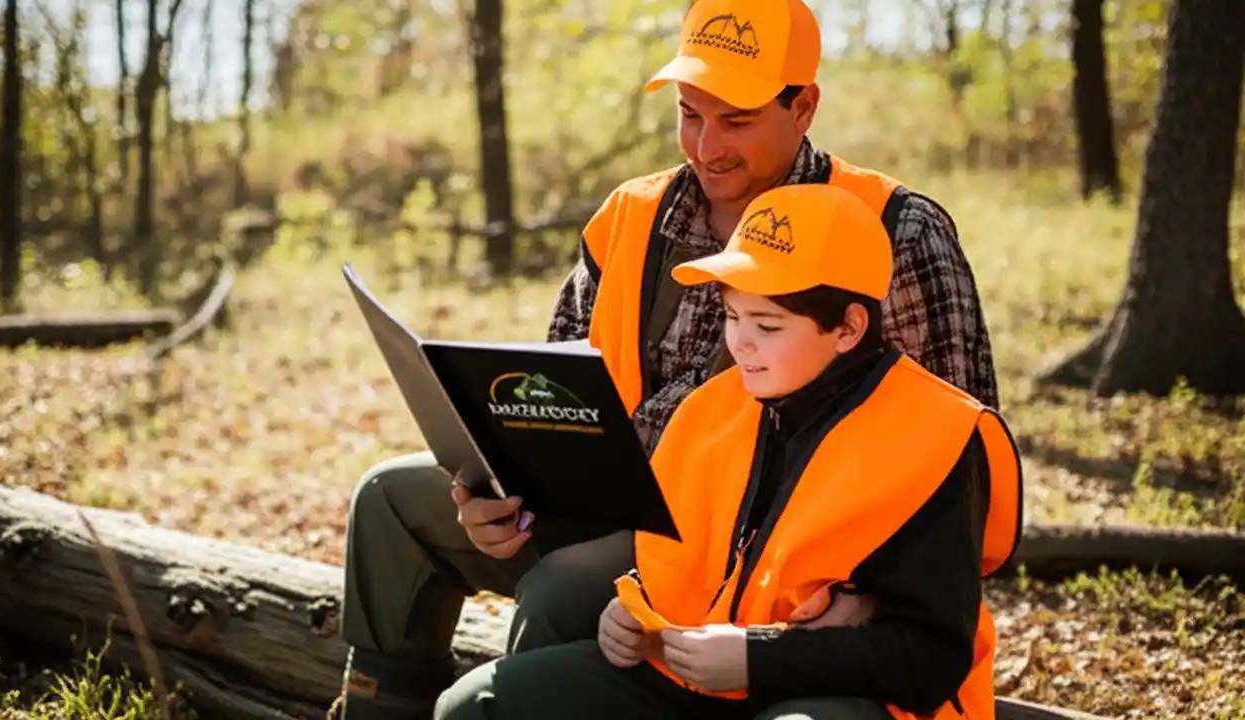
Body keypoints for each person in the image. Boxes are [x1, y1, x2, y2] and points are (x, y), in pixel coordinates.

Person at [334, 0, 1000, 717]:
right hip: (592, 497)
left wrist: (865, 594)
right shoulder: (628, 215)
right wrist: (500, 490)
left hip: (734, 545)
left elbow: (953, 459)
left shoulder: (895, 231)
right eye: (690, 114)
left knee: (564, 589)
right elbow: (553, 397)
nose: (707, 146)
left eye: (737, 121)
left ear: (803, 105)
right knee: (390, 499)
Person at [434, 183, 1022, 720]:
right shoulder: (710, 411)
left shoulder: (940, 437)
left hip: (835, 701)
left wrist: (758, 660)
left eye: (768, 326)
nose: (739, 344)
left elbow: (929, 659)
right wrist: (633, 615)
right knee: (475, 706)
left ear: (848, 327)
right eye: (732, 315)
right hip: (691, 685)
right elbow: (670, 569)